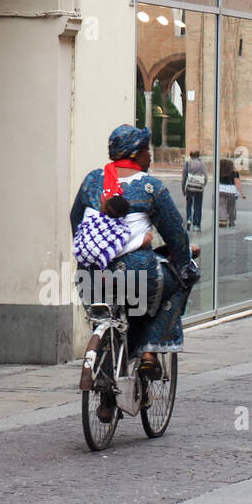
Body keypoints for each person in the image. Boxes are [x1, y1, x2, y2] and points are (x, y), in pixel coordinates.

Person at [70, 125, 194, 421]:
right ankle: (150, 350)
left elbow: (75, 219)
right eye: (148, 150)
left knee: (104, 318)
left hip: (90, 276)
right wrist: (185, 261)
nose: (150, 156)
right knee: (175, 286)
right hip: (136, 272)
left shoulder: (92, 181)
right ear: (138, 154)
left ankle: (104, 397)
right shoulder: (151, 187)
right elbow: (175, 232)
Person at [181, 150, 206, 231]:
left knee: (189, 204)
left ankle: (188, 219)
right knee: (197, 206)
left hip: (189, 187)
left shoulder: (187, 163)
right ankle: (196, 225)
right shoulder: (202, 164)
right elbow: (205, 176)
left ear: (191, 155)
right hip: (198, 188)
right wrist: (203, 184)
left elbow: (184, 177)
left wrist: (183, 189)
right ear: (198, 155)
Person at [217, 158, 245, 227]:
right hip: (231, 192)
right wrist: (242, 193)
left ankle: (223, 221)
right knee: (232, 207)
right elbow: (237, 183)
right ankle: (231, 221)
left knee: (221, 206)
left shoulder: (220, 172)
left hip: (221, 190)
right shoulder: (234, 173)